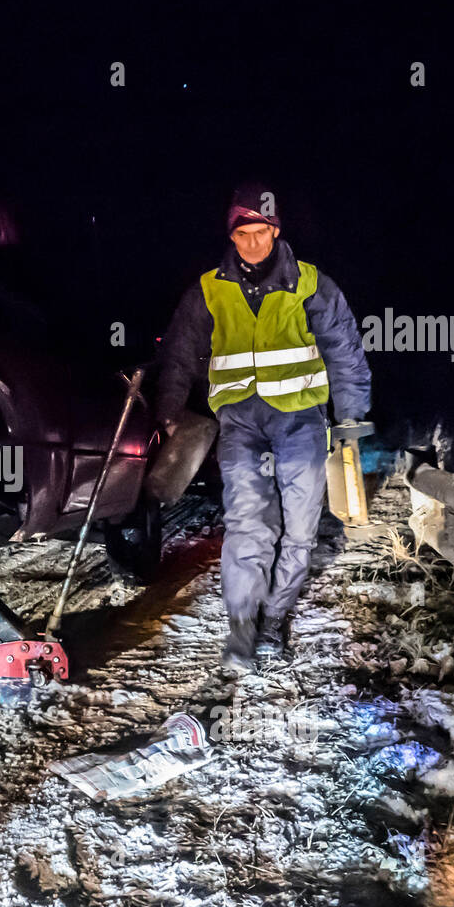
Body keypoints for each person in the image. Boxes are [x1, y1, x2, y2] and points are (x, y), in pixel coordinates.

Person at [156, 184, 372, 674]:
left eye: (261, 232)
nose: (252, 243)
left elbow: (345, 351)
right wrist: (170, 411)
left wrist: (352, 418)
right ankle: (243, 628)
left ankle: (273, 621)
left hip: (300, 419)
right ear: (231, 236)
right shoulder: (209, 289)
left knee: (299, 528)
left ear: (276, 230)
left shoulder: (312, 284)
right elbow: (180, 354)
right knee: (247, 524)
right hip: (240, 422)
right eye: (243, 234)